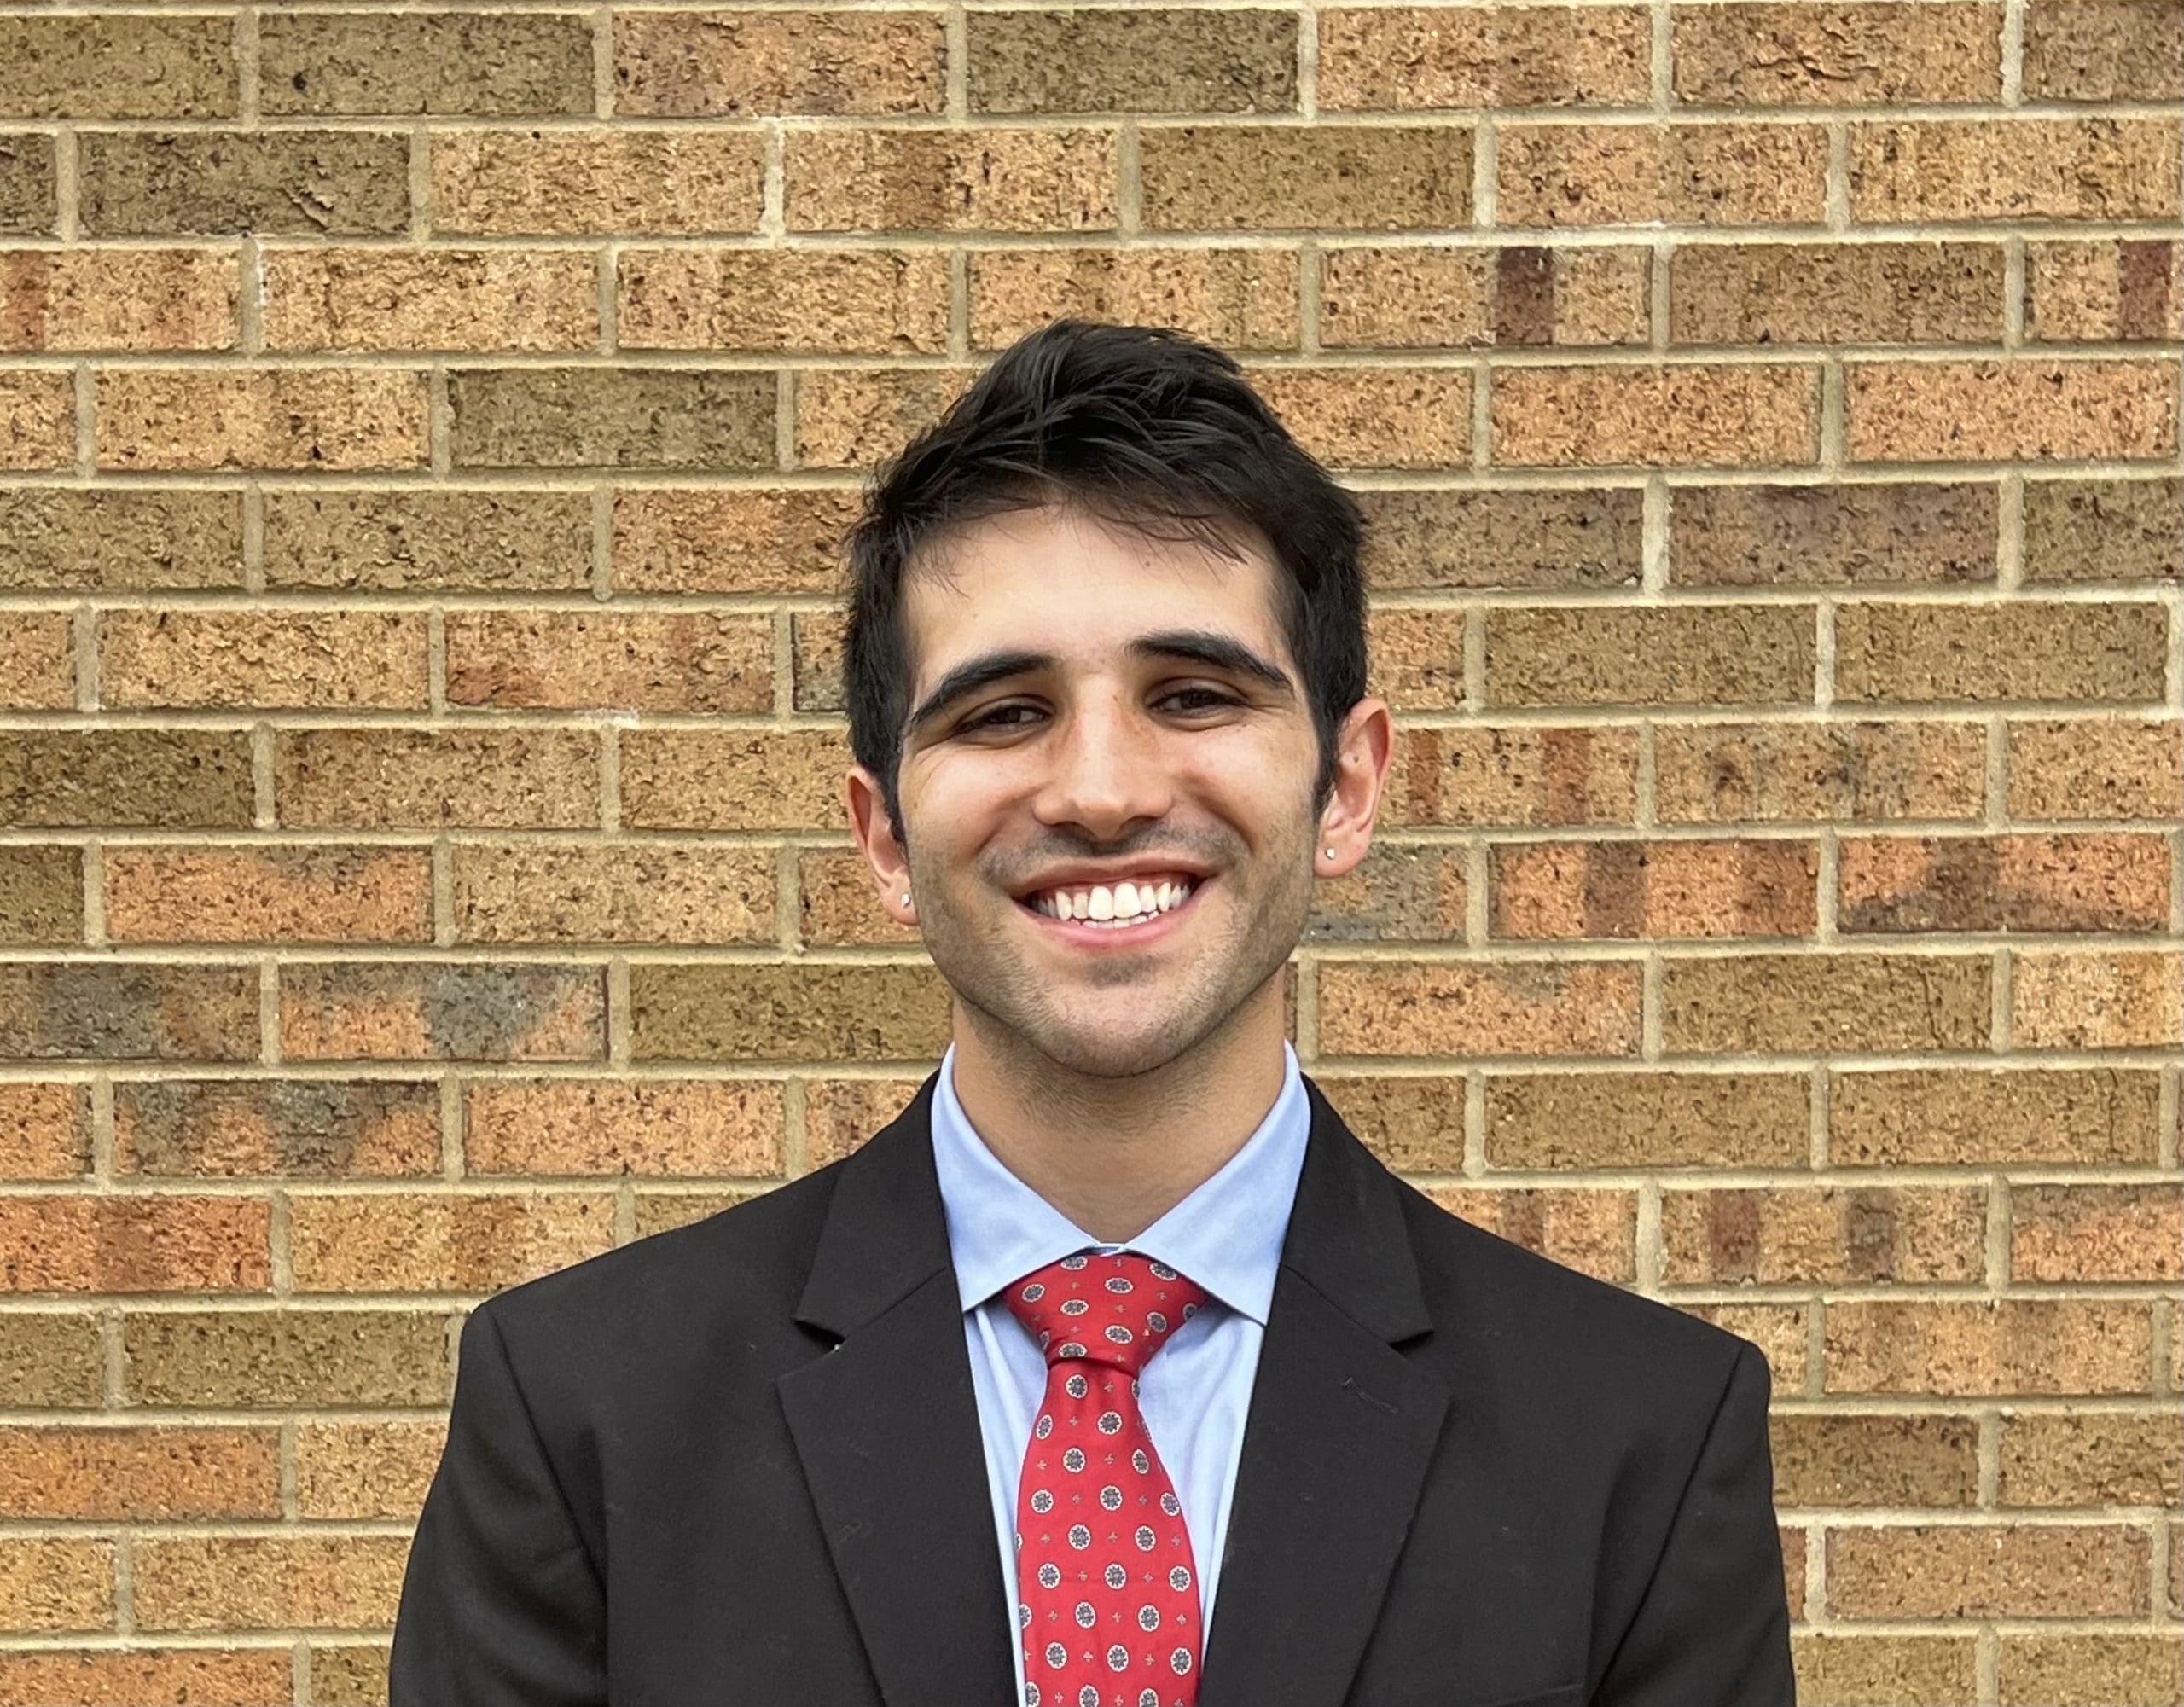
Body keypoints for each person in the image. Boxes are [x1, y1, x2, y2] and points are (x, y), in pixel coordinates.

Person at [388, 319, 1797, 1707]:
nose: (1103, 792)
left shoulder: (1640, 1442)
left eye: (1194, 695)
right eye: (1004, 713)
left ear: (1348, 786)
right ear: (884, 836)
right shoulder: (585, 1418)